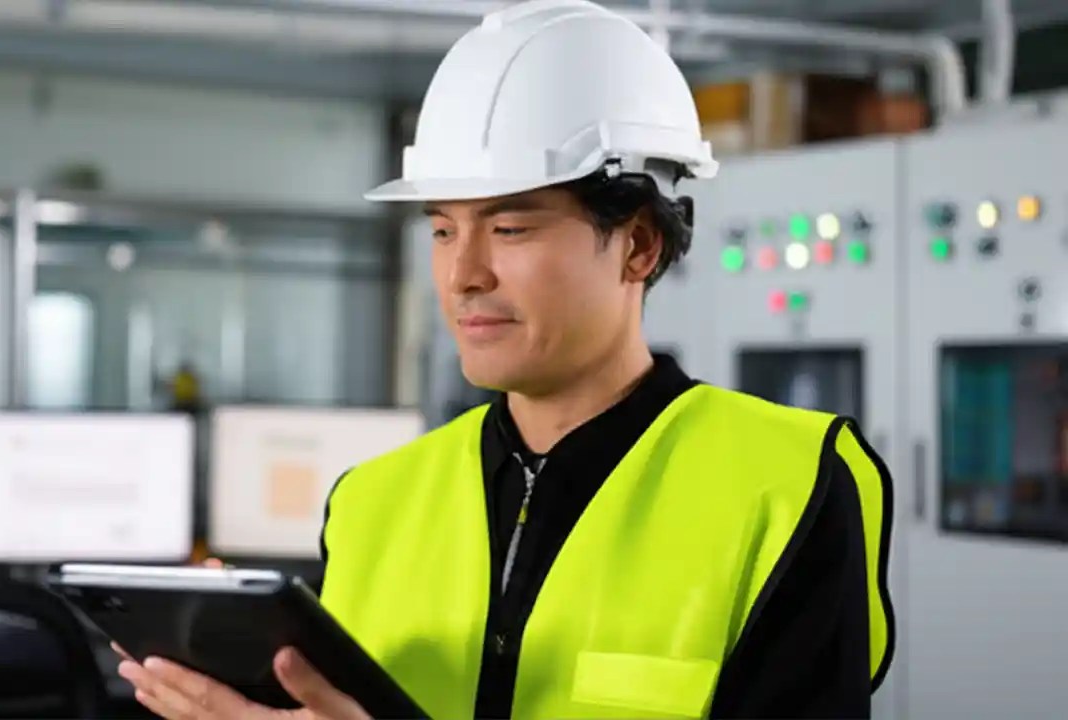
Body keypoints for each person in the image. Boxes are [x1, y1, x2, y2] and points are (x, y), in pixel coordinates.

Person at [117, 1, 894, 718]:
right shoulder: (372, 503)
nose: (464, 275)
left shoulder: (787, 486)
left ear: (639, 245)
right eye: (444, 230)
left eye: (511, 228)